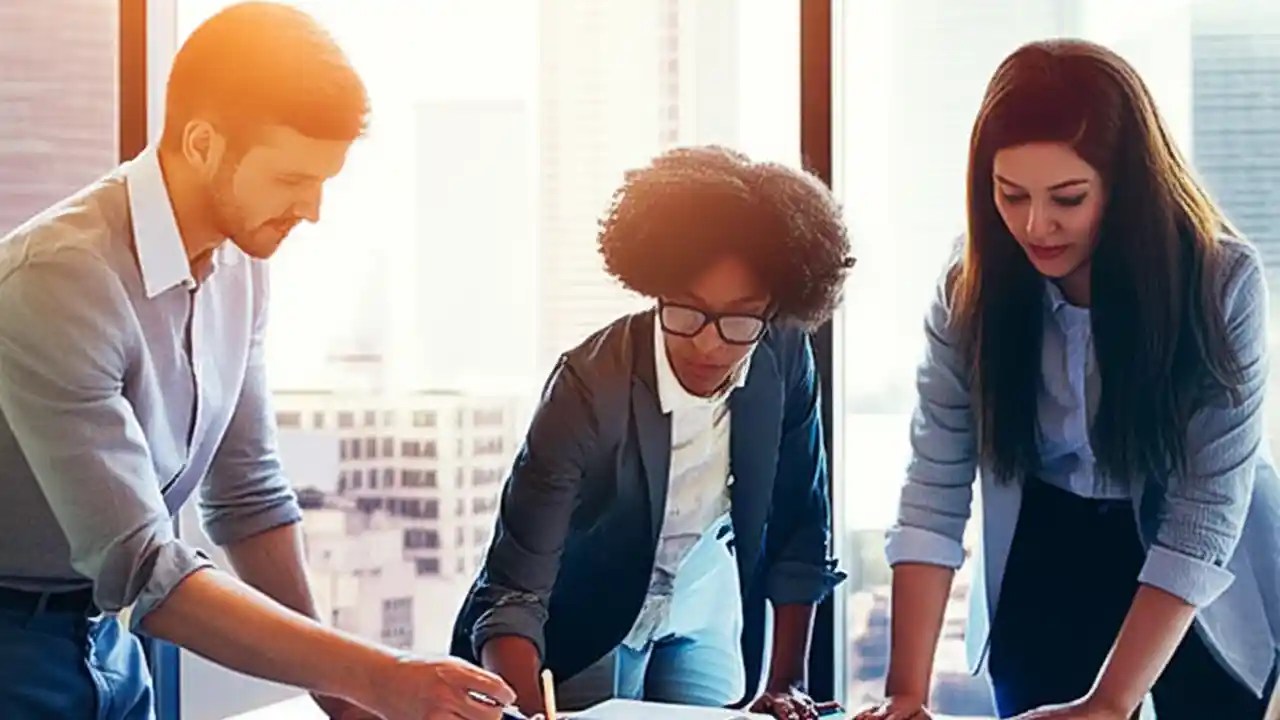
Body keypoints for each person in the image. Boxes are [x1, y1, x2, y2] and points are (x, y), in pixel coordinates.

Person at [0, 3, 512, 719]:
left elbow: (248, 495)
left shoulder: (242, 262)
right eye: (294, 178)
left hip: (107, 639)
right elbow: (142, 563)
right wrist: (379, 674)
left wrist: (341, 697)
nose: (313, 209)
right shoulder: (57, 279)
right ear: (203, 143)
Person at [855, 39, 1280, 720]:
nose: (1034, 225)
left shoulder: (1220, 282)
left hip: (1193, 567)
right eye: (1010, 194)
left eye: (1068, 198)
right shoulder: (971, 285)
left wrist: (1111, 702)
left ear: (1127, 187)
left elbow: (1205, 512)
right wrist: (905, 694)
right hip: (1045, 546)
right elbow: (933, 483)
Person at [450, 146, 853, 719]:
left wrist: (786, 681)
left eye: (740, 319)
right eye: (687, 310)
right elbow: (515, 589)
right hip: (583, 621)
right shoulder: (588, 384)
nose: (710, 343)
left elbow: (800, 531)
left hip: (702, 608)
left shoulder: (784, 354)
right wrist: (526, 715)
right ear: (655, 287)